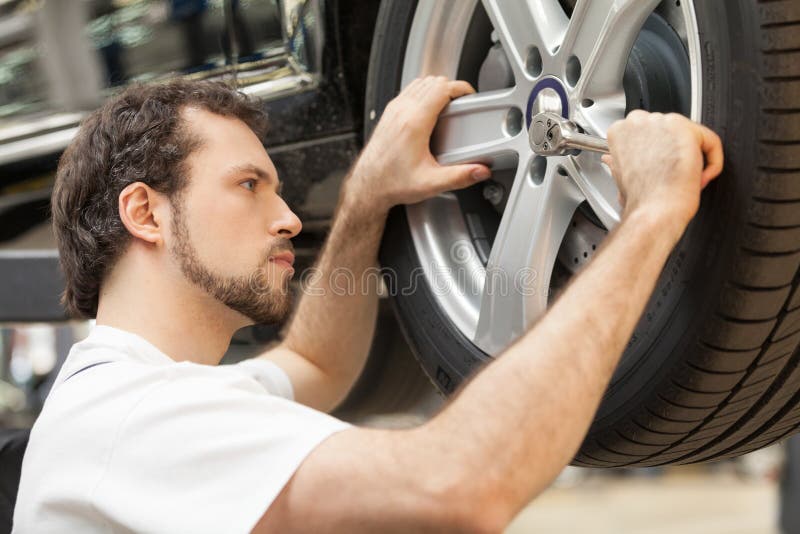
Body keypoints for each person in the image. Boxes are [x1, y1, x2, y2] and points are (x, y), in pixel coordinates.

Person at [12, 76, 723, 533]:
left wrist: (369, 196)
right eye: (249, 185)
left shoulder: (134, 399)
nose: (290, 218)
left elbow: (315, 360)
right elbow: (456, 485)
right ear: (146, 212)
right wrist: (651, 215)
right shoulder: (131, 421)